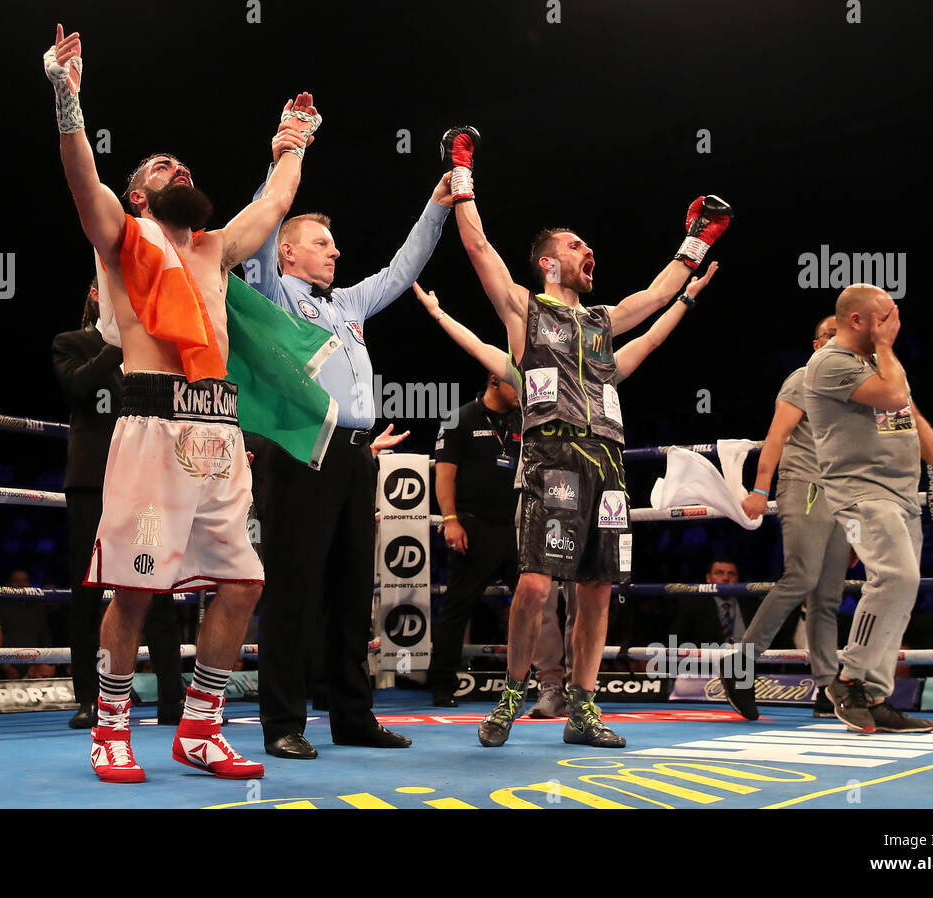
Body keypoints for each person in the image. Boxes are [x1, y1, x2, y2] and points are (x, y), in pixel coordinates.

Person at [45, 24, 314, 781]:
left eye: (183, 163)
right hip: (152, 427)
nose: (180, 169)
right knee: (133, 589)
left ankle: (200, 727)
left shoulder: (216, 248)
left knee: (243, 582)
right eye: (164, 167)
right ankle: (109, 727)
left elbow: (280, 197)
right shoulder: (120, 237)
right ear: (139, 192)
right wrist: (67, 97)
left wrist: (291, 139)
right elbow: (78, 175)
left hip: (218, 435)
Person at [440, 125, 732, 747]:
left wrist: (697, 239)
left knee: (598, 589)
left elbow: (655, 299)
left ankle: (584, 707)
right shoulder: (526, 309)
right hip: (550, 457)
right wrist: (461, 170)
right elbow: (479, 249)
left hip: (608, 463)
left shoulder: (602, 322)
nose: (588, 250)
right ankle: (513, 693)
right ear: (551, 261)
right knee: (535, 586)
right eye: (577, 245)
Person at [240, 142, 456, 762]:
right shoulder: (274, 295)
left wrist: (436, 207)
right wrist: (284, 155)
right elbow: (257, 231)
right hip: (300, 452)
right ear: (286, 249)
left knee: (351, 591)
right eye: (320, 243)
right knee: (293, 591)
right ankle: (282, 721)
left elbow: (400, 271)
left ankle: (353, 718)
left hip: (357, 457)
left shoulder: (347, 305)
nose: (335, 250)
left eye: (334, 245)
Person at [805, 283, 933, 733]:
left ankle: (874, 696)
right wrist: (884, 347)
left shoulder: (880, 365)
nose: (896, 321)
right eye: (886, 314)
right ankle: (848, 678)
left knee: (904, 588)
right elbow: (894, 397)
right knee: (894, 577)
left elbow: (910, 415)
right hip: (860, 491)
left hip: (900, 494)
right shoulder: (828, 363)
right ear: (857, 320)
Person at [53, 282, 189, 727]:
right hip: (93, 483)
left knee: (157, 587)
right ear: (95, 295)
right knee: (86, 591)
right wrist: (118, 340)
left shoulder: (149, 346)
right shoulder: (70, 343)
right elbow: (78, 386)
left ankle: (173, 697)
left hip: (145, 480)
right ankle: (89, 699)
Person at [720, 315, 850, 719]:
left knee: (828, 596)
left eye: (841, 333)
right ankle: (741, 666)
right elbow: (776, 434)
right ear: (815, 345)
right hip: (804, 485)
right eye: (828, 334)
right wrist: (760, 489)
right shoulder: (804, 377)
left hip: (842, 495)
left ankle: (828, 687)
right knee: (801, 578)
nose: (836, 339)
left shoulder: (856, 386)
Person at [427, 373, 521, 708]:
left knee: (535, 606)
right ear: (494, 381)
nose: (522, 392)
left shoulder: (523, 419)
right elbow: (444, 473)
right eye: (516, 385)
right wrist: (450, 520)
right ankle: (442, 684)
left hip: (516, 529)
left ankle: (538, 682)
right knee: (457, 607)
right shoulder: (460, 417)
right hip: (472, 527)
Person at [671, 558, 762, 646]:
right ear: (708, 578)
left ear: (737, 578)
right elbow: (674, 642)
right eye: (719, 573)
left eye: (731, 574)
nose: (726, 578)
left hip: (745, 660)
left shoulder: (752, 605)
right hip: (706, 660)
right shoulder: (692, 606)